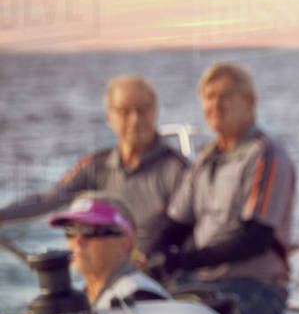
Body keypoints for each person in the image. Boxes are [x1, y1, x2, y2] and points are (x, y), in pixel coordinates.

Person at [146, 62, 295, 314]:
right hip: (202, 280)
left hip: (256, 287)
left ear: (250, 102)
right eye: (209, 97)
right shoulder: (205, 158)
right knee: (140, 307)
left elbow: (256, 239)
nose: (216, 104)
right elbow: (176, 224)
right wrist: (149, 257)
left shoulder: (265, 155)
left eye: (225, 96)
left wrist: (184, 260)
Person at [0, 75, 188, 256]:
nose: (135, 119)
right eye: (125, 111)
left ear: (155, 111)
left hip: (160, 278)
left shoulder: (178, 170)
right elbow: (47, 199)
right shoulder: (95, 166)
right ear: (109, 117)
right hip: (108, 273)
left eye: (142, 109)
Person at [50, 194, 169, 309]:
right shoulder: (81, 298)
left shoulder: (140, 297)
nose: (78, 241)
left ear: (125, 243)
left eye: (89, 231)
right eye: (70, 230)